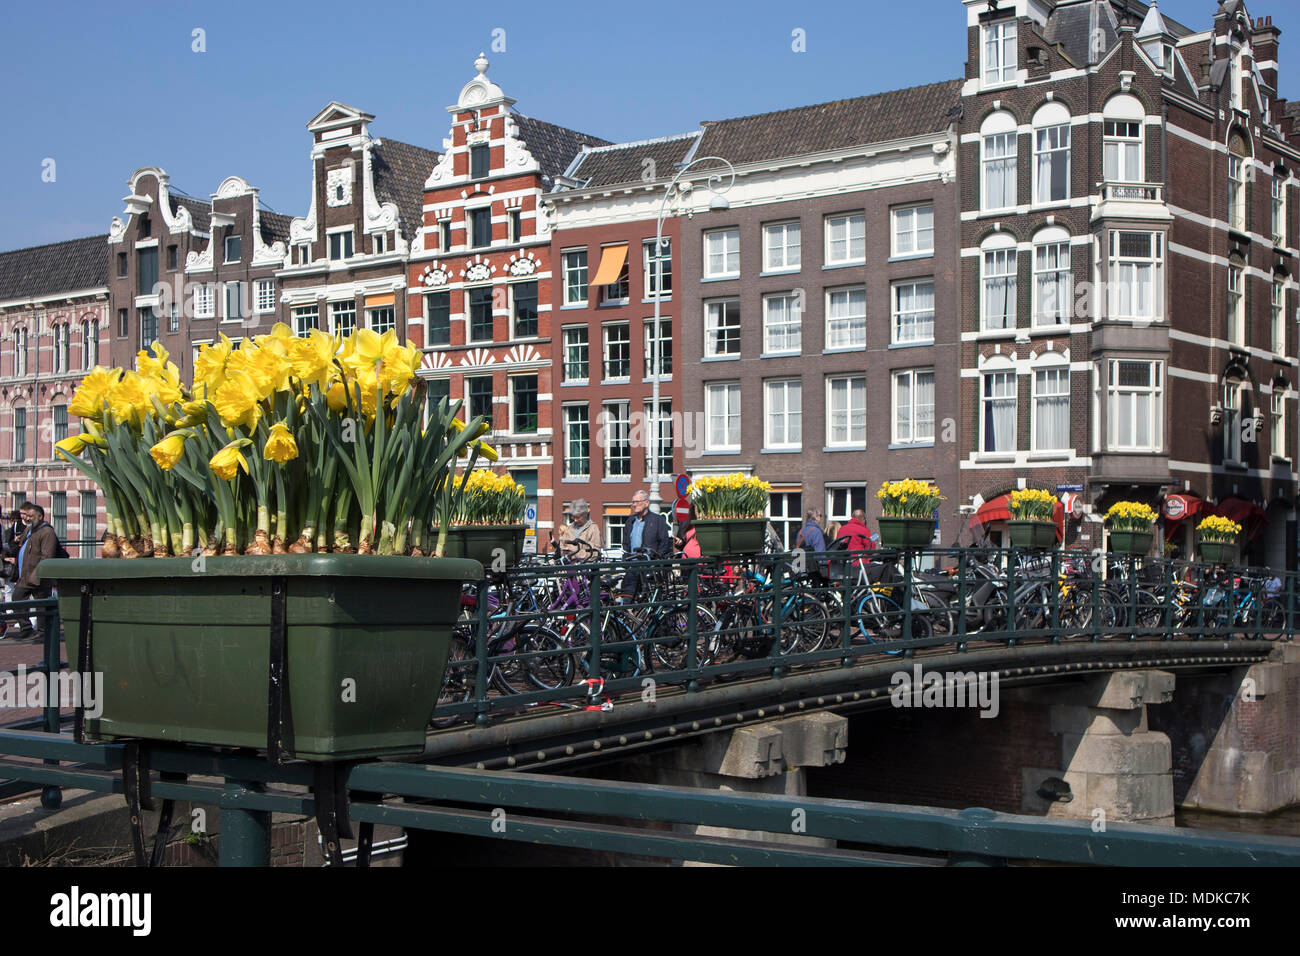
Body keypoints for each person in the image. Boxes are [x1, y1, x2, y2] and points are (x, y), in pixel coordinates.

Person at [4, 502, 60, 641]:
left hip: (39, 576)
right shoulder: (30, 529)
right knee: (16, 598)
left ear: (40, 516)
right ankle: (26, 628)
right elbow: (20, 545)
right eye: (26, 516)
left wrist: (38, 574)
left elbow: (47, 555)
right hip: (25, 575)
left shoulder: (47, 532)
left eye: (30, 516)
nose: (27, 518)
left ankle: (42, 633)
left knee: (41, 605)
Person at [620, 491, 670, 602]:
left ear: (646, 503)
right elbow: (626, 544)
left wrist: (655, 561)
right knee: (627, 598)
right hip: (632, 567)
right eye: (633, 502)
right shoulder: (630, 521)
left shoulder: (658, 520)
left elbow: (664, 544)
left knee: (648, 601)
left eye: (637, 502)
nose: (634, 505)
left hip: (649, 569)